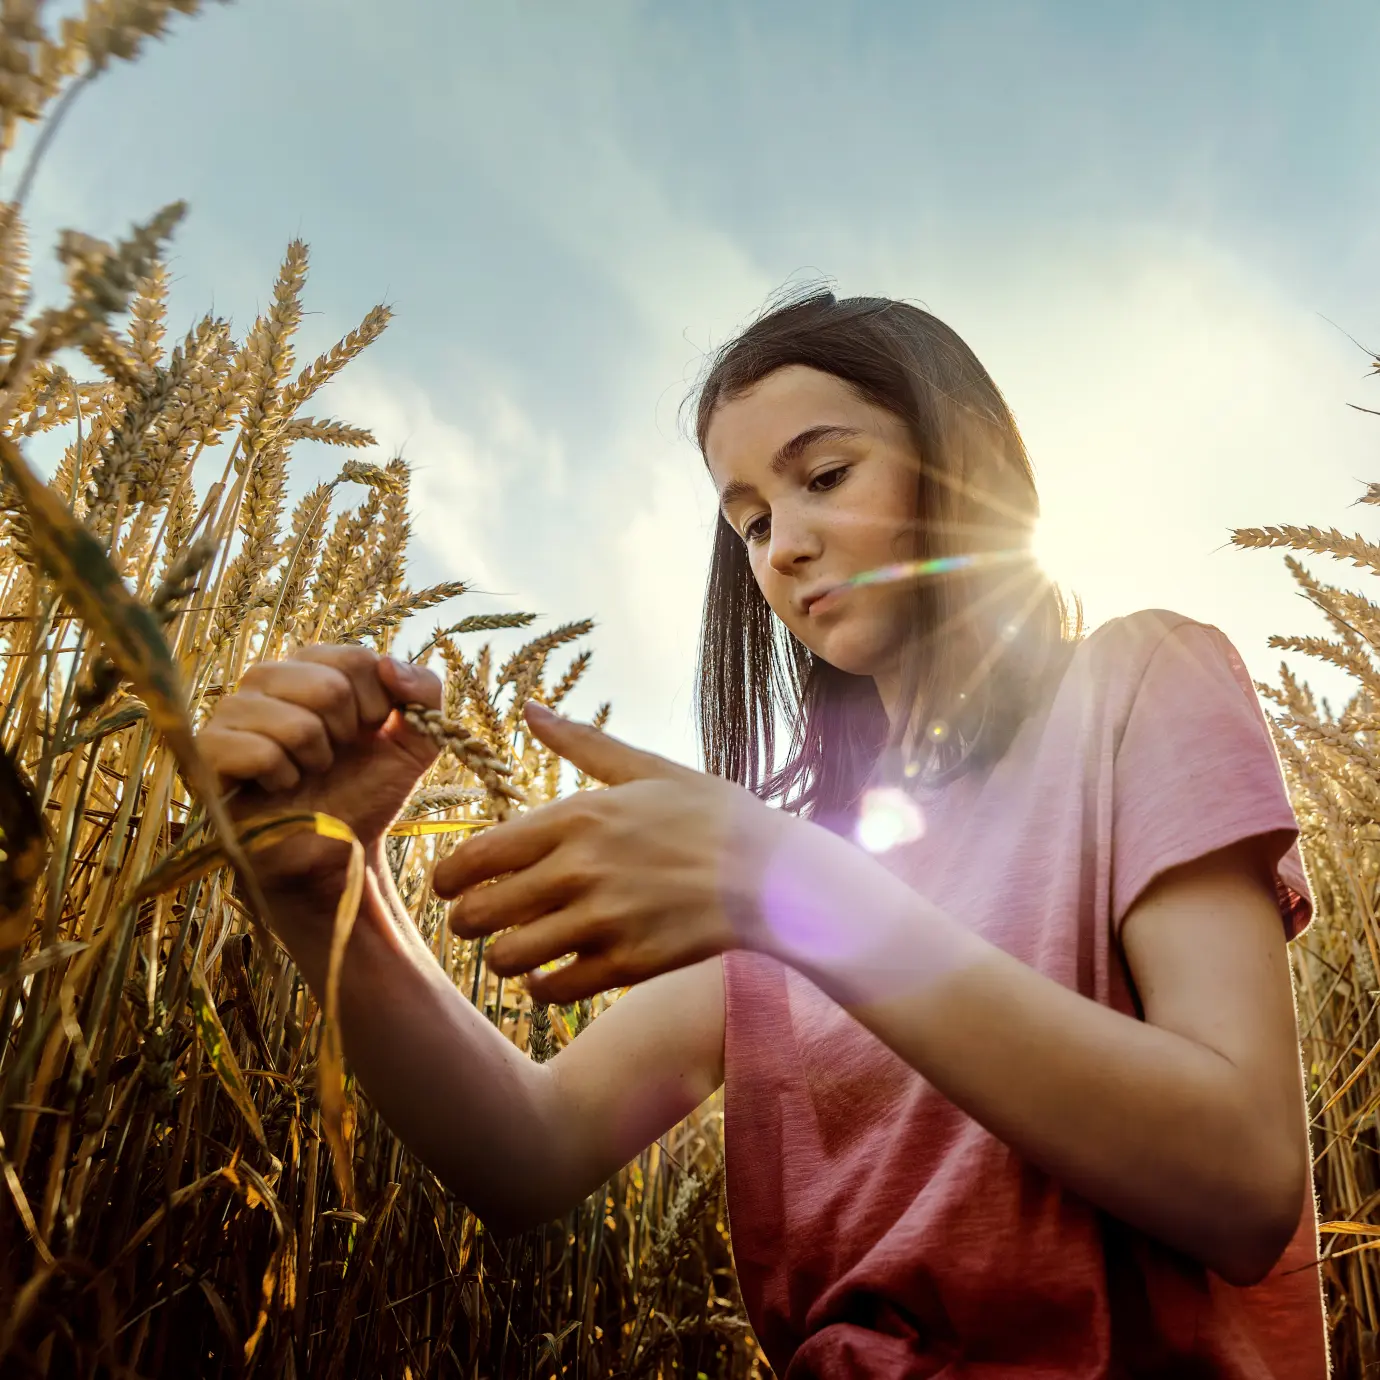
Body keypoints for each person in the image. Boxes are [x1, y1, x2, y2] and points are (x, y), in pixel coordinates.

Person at [199, 290, 1329, 1377]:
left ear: (968, 456)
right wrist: (324, 888)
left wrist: (796, 889)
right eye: (749, 520)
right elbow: (527, 1152)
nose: (781, 543)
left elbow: (1240, 1180)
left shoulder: (1134, 687)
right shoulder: (775, 866)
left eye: (826, 475)